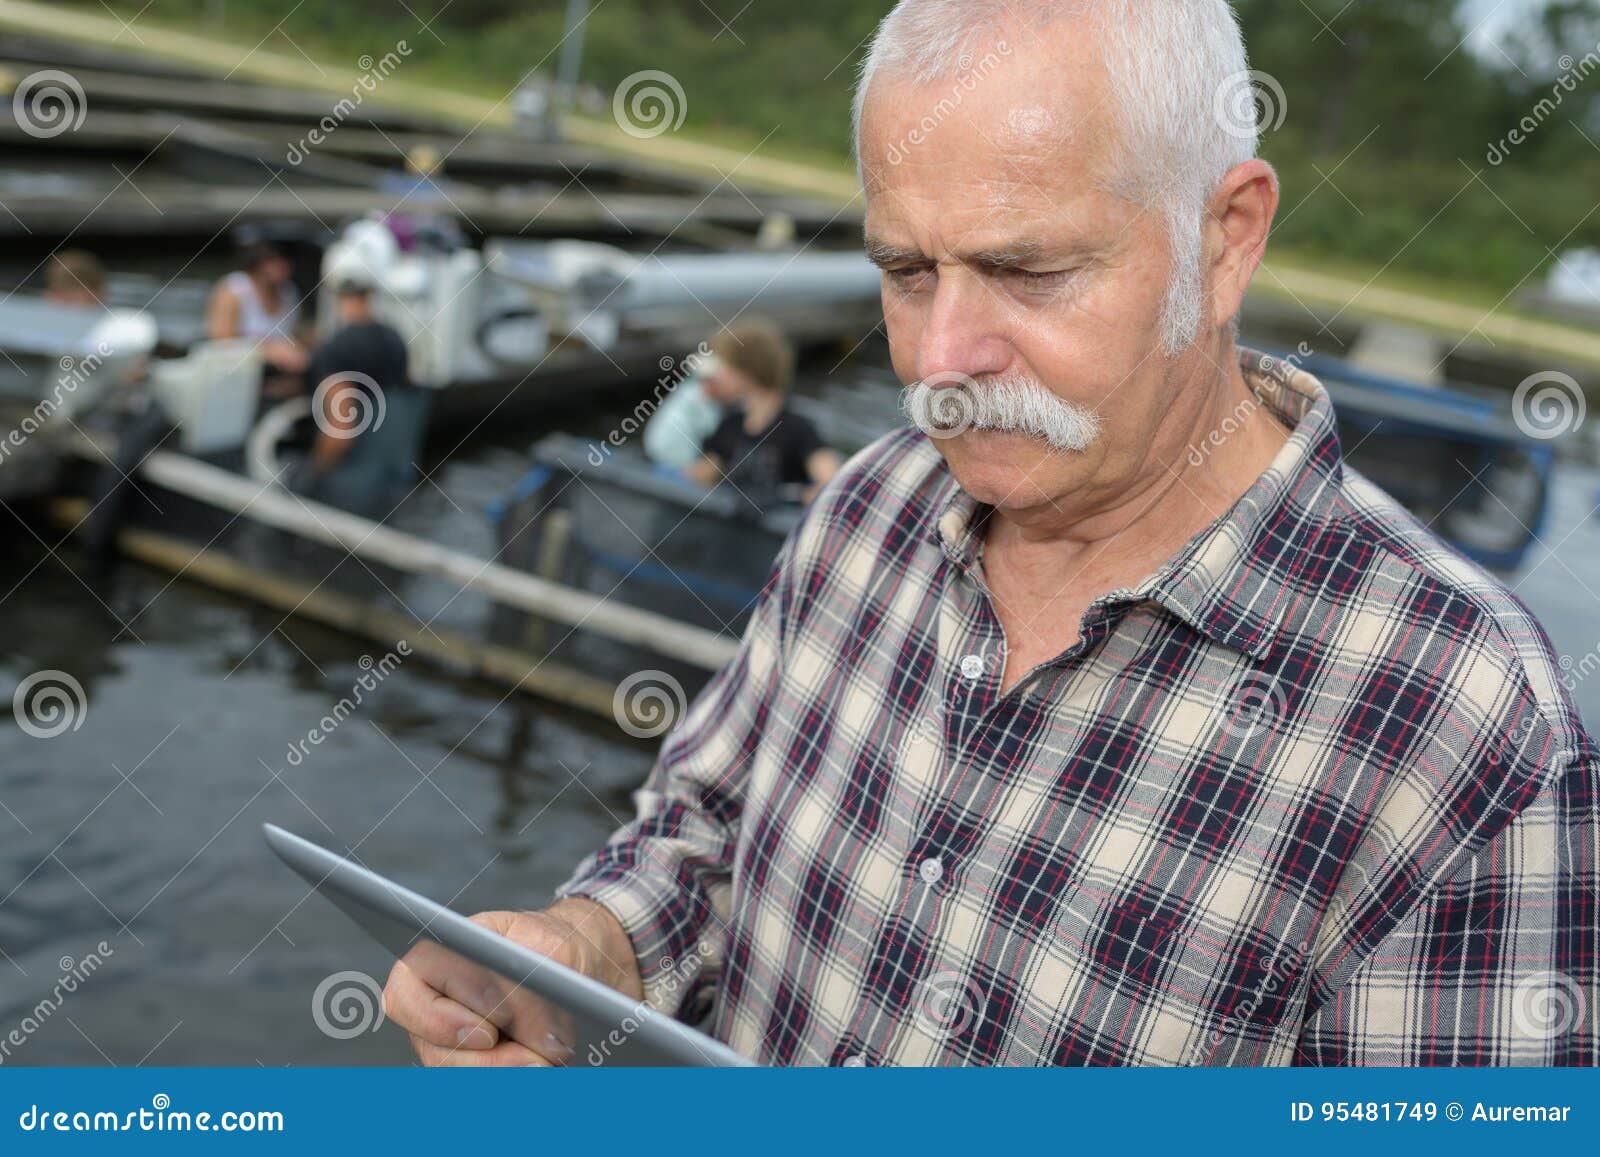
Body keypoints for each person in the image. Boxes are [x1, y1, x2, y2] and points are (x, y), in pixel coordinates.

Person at [385, 0, 1598, 1067]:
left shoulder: (1466, 736)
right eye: (906, 271)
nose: (940, 361)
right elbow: (703, 835)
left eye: (1027, 270)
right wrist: (584, 952)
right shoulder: (867, 509)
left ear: (1224, 239)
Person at [294, 274, 423, 515]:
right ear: (369, 298)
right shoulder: (395, 338)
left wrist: (313, 472)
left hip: (352, 492)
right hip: (394, 481)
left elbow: (341, 431)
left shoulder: (336, 349)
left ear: (339, 300)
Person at [682, 319, 841, 505]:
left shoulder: (798, 429)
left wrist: (794, 497)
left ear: (747, 371)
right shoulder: (730, 426)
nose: (715, 376)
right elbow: (699, 475)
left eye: (722, 367)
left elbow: (833, 484)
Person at [206, 241, 308, 394]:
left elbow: (294, 337)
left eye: (286, 261)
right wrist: (267, 351)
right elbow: (220, 341)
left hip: (276, 376)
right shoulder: (234, 288)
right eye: (275, 260)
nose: (283, 266)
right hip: (234, 376)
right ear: (259, 263)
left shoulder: (289, 293)